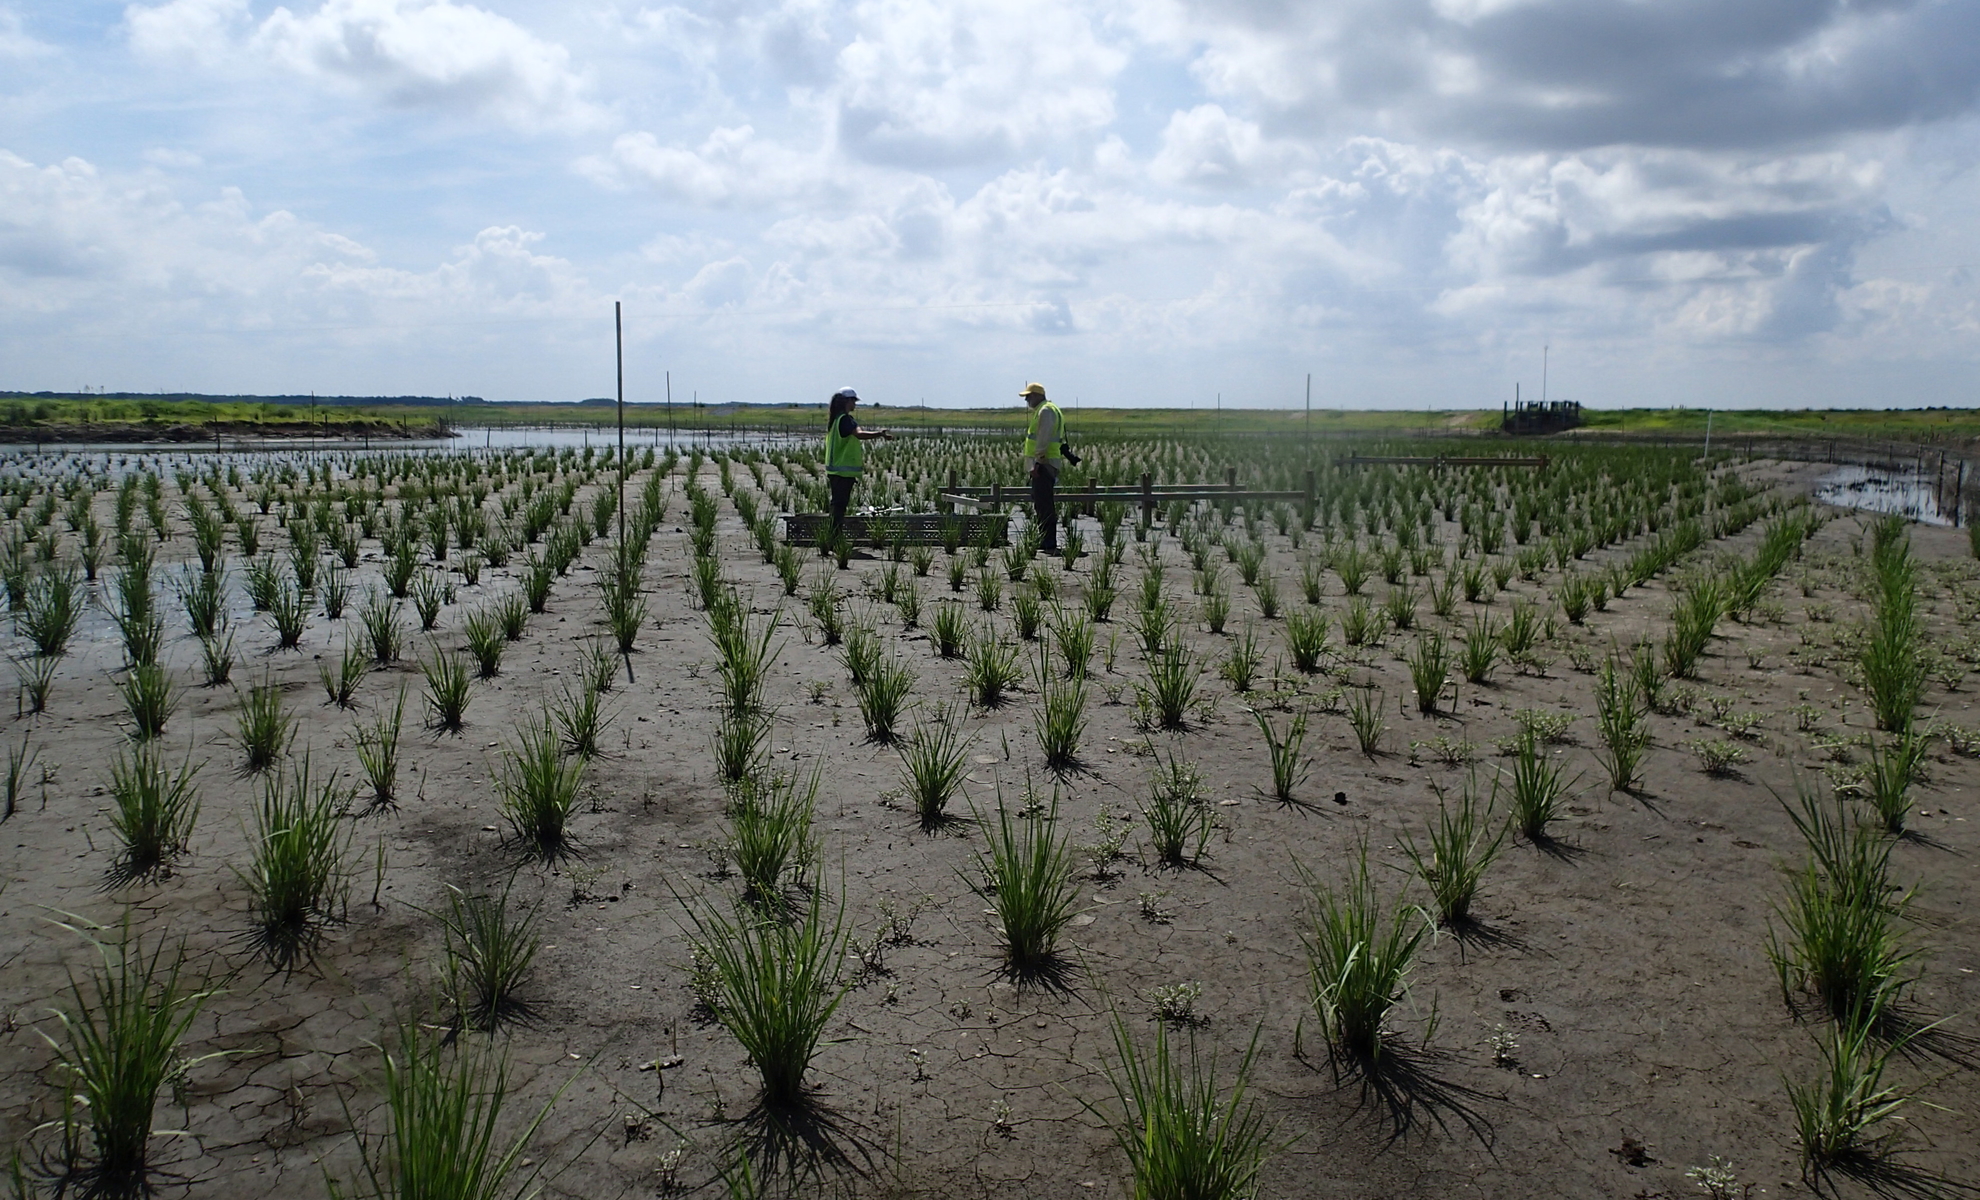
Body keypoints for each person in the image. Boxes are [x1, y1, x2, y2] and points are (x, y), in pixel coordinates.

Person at [824, 387, 892, 545]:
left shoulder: (836, 420)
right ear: (846, 401)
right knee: (839, 506)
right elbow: (859, 434)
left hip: (835, 470)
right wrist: (879, 434)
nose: (855, 404)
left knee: (837, 505)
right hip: (843, 472)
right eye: (853, 401)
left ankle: (834, 537)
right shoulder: (845, 420)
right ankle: (834, 538)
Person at [1020, 382, 1064, 554]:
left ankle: (1048, 542)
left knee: (1044, 503)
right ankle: (1045, 539)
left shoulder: (1045, 411)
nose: (1027, 400)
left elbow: (1043, 439)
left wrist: (1038, 462)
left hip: (1044, 464)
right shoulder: (1049, 409)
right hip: (1046, 463)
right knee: (1042, 503)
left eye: (1028, 397)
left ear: (1037, 395)